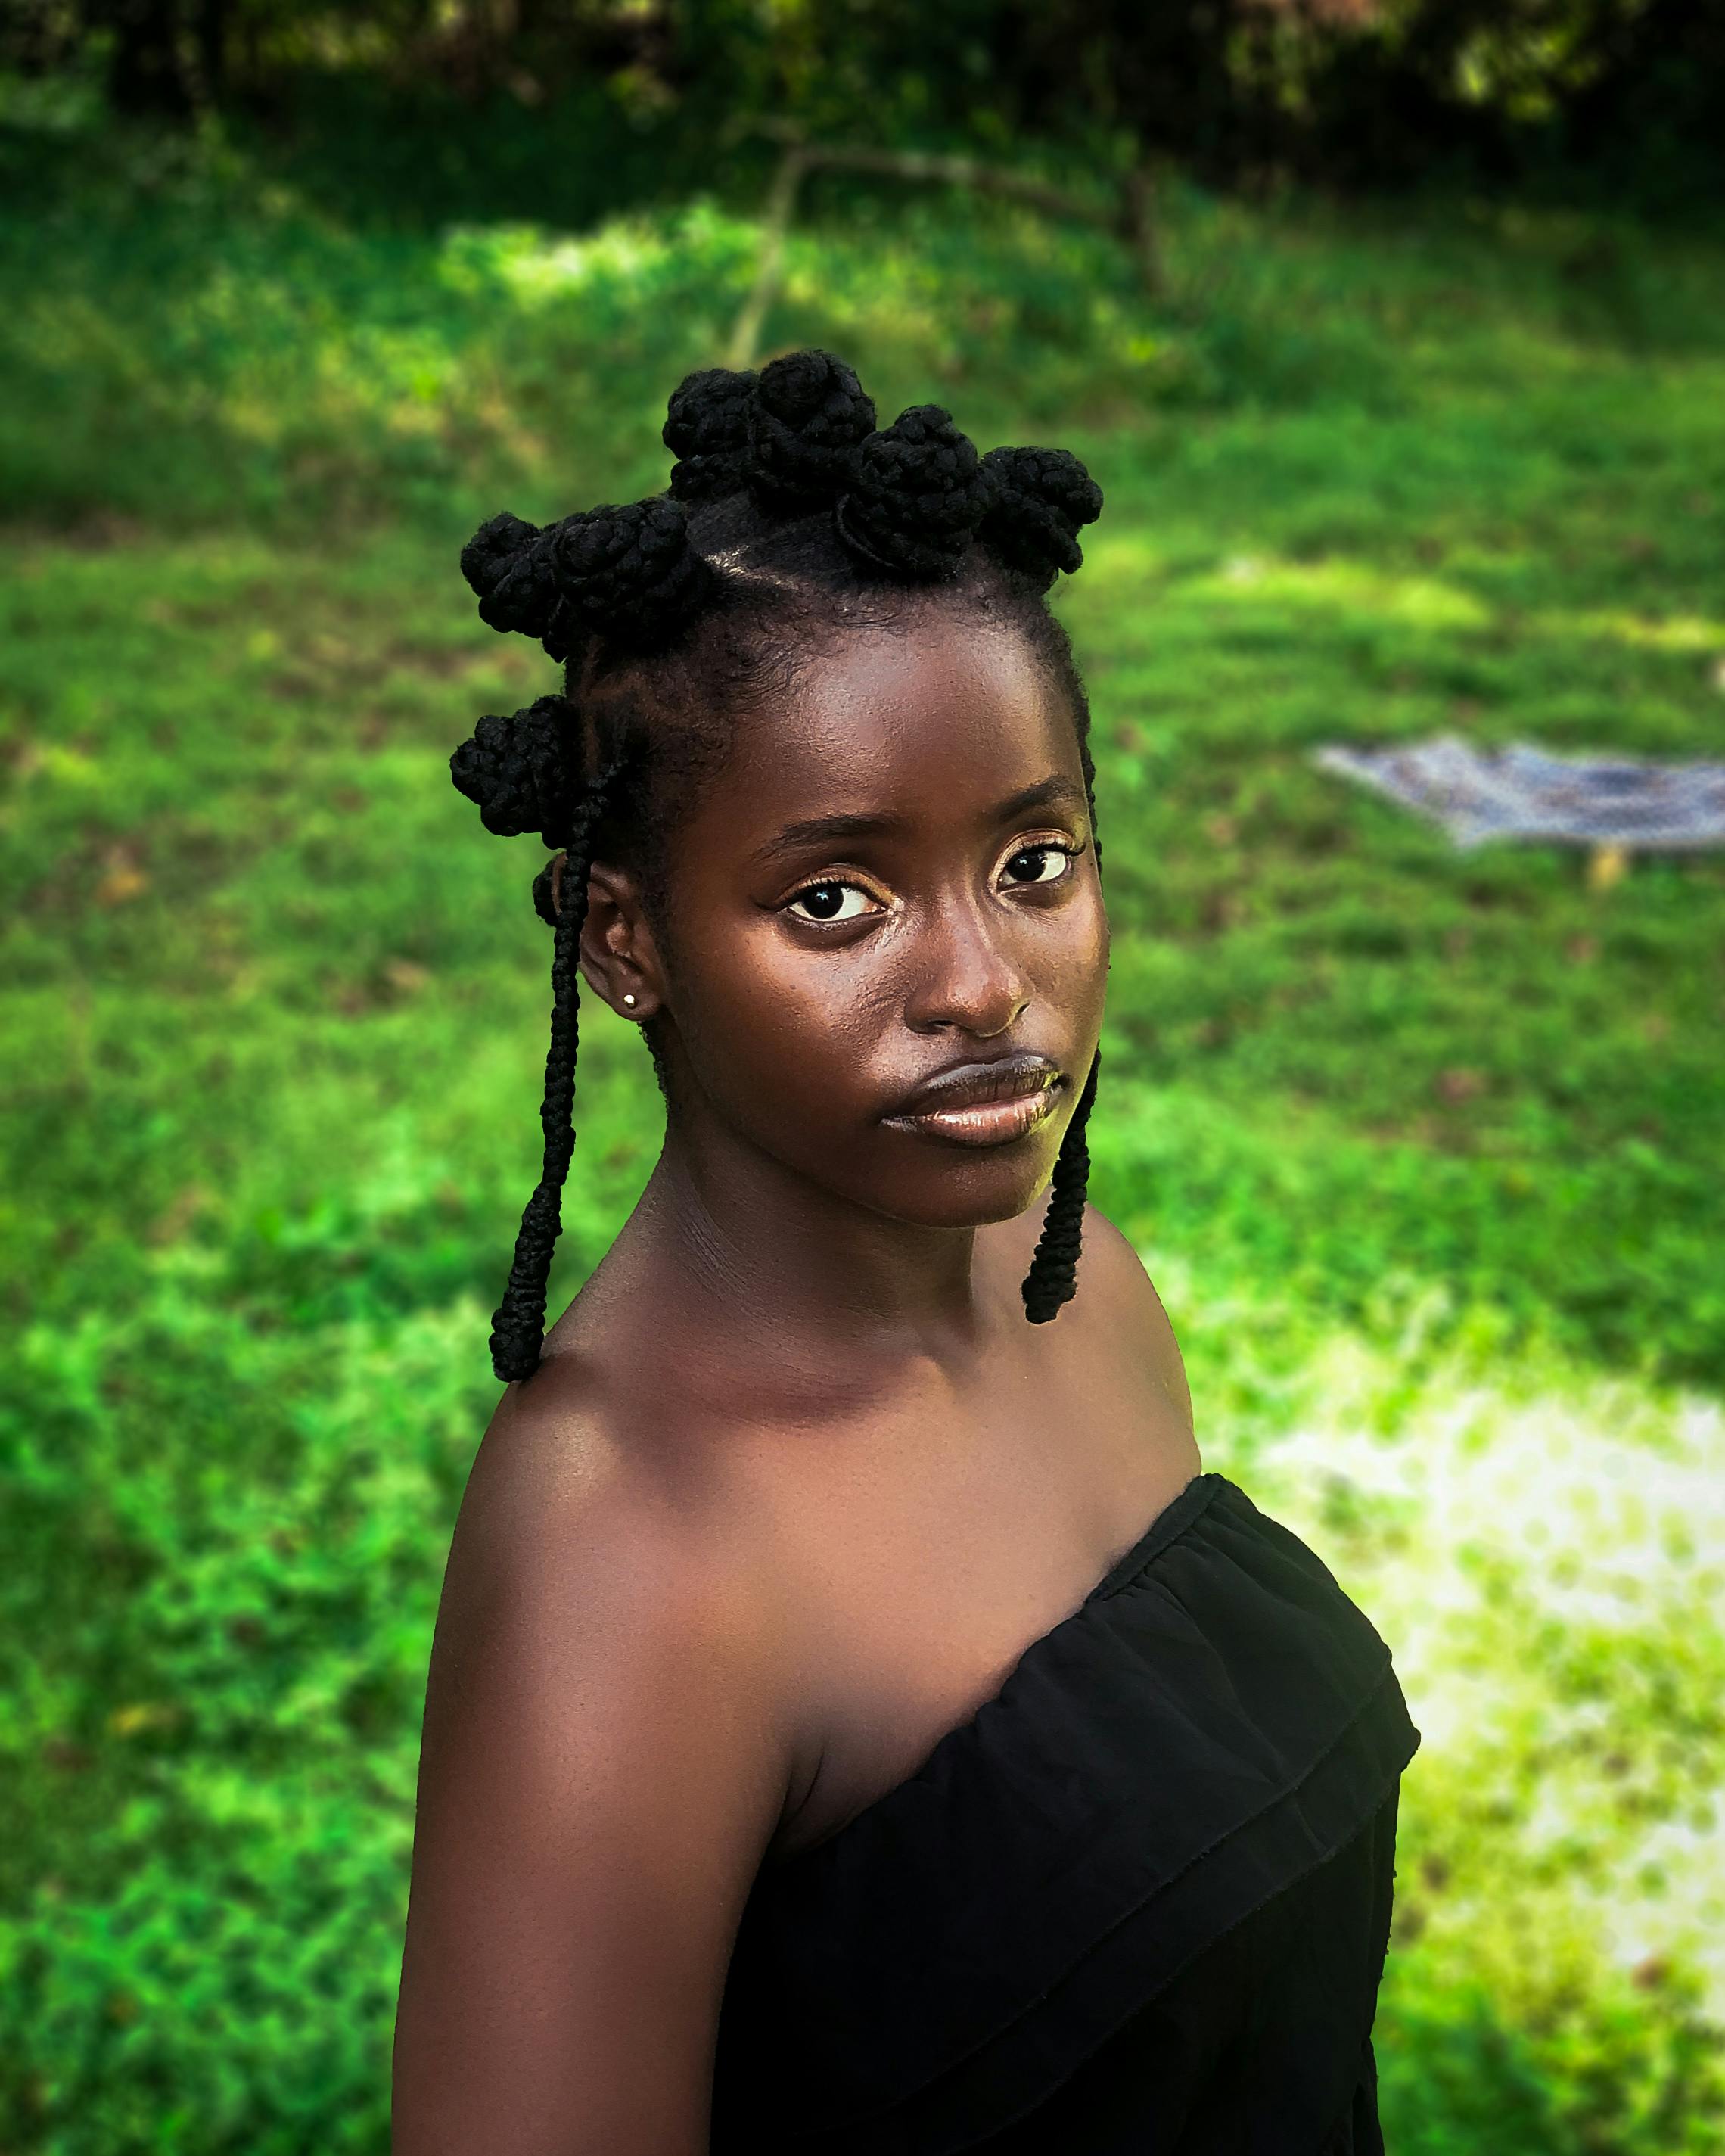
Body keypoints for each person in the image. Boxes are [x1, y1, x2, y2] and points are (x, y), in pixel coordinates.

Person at [391, 350, 1419, 2154]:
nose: (980, 984)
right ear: (623, 938)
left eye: (1035, 860)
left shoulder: (1075, 1276)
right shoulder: (635, 1556)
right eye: (836, 902)